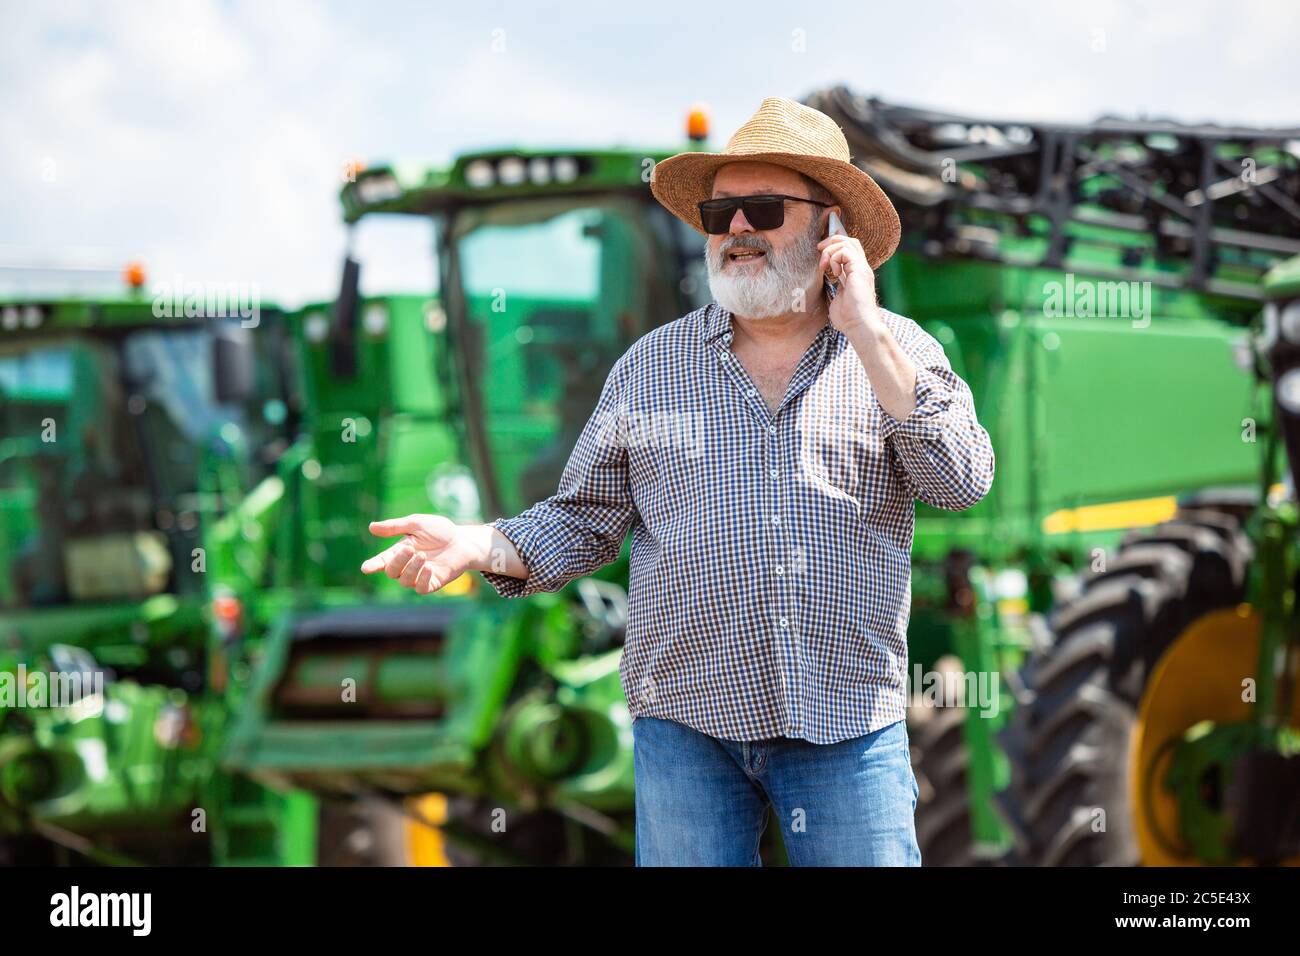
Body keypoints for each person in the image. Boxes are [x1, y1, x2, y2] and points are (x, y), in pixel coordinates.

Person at [362, 96, 995, 866]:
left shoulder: (897, 352)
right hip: (686, 730)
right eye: (719, 211)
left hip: (846, 726)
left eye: (762, 208)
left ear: (833, 230)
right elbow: (586, 518)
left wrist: (864, 329)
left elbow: (960, 479)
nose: (735, 229)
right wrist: (481, 543)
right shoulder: (651, 366)